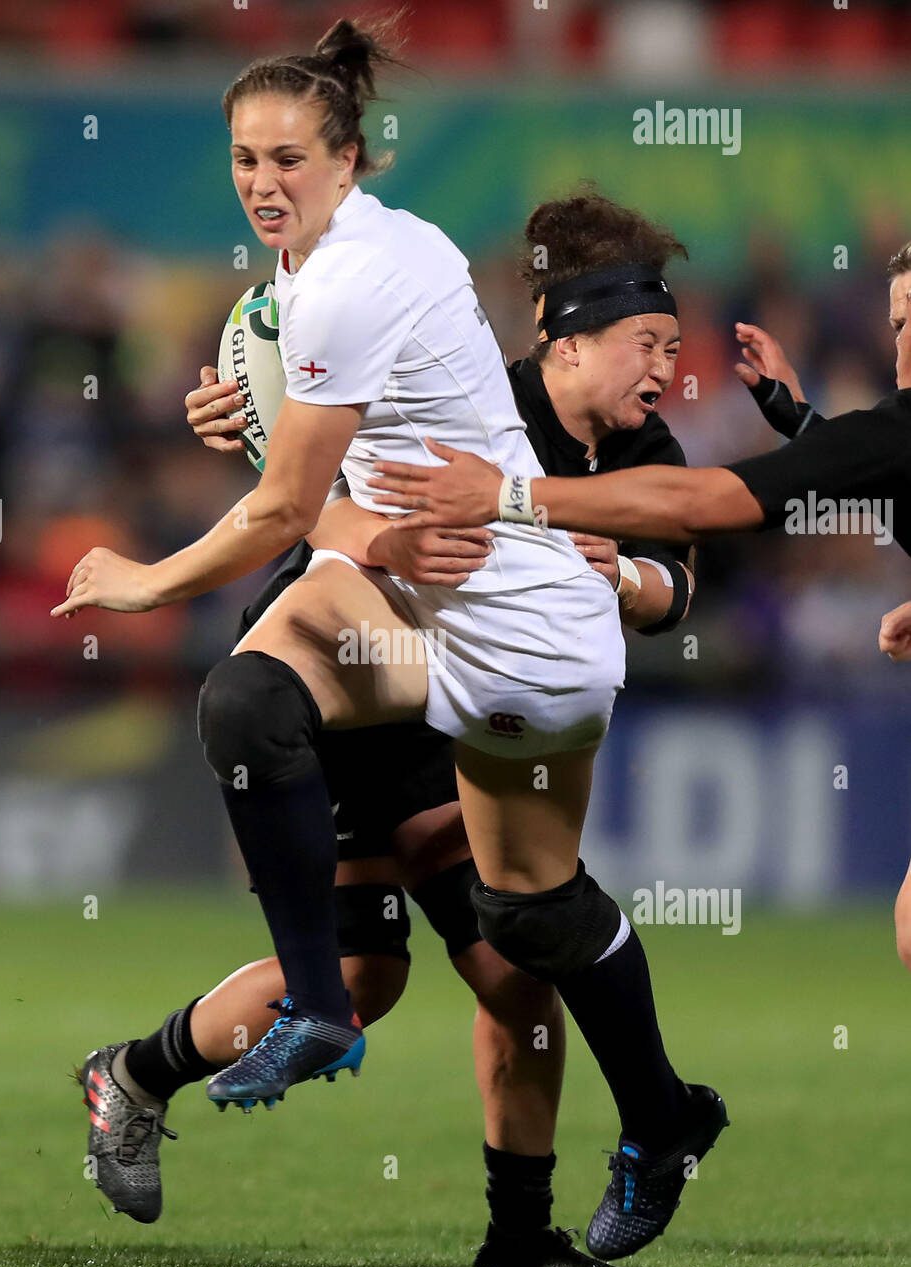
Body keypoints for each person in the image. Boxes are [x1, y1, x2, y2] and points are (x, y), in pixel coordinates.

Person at [58, 25, 726, 1264]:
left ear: (347, 160)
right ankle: (152, 1070)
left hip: (464, 653)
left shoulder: (636, 454)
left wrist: (621, 573)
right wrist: (254, 429)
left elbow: (678, 574)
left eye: (672, 346)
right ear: (564, 339)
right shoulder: (478, 375)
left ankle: (528, 1229)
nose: (665, 367)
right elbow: (310, 453)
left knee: (519, 960)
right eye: (647, 342)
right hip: (379, 666)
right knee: (370, 965)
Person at [371, 239, 911, 967]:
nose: (900, 341)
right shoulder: (486, 406)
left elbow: (705, 505)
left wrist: (510, 497)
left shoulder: (646, 449)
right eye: (898, 321)